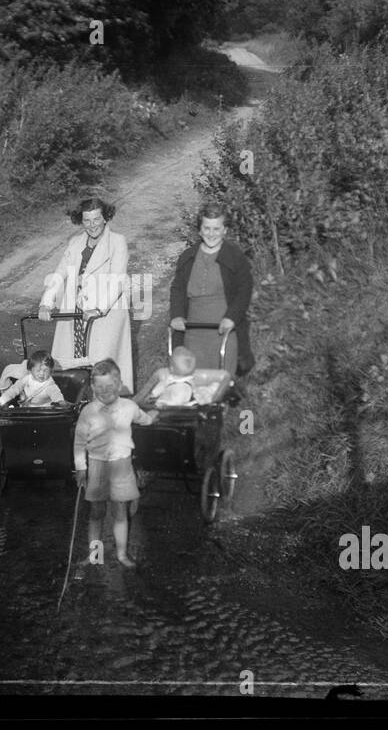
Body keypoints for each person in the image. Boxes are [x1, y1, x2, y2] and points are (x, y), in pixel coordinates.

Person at [39, 197, 134, 394]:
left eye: (96, 219)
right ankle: (76, 403)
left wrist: (99, 308)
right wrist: (46, 303)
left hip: (105, 313)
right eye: (87, 220)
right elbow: (60, 273)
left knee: (101, 365)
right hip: (76, 310)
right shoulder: (75, 243)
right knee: (71, 364)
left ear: (105, 218)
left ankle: (108, 404)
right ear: (80, 221)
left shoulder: (117, 242)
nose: (92, 225)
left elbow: (117, 280)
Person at [73, 360, 157, 568]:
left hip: (121, 465)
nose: (105, 391)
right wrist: (81, 468)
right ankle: (95, 556)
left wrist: (154, 416)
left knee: (119, 512)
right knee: (96, 512)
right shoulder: (88, 412)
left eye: (110, 386)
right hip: (97, 465)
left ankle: (121, 554)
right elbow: (79, 441)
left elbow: (144, 419)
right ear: (93, 387)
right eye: (99, 387)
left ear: (119, 386)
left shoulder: (129, 406)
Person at [168, 203, 255, 377]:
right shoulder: (188, 257)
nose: (211, 234)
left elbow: (244, 289)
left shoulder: (234, 257)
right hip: (193, 332)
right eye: (206, 228)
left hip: (223, 330)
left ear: (225, 230)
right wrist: (177, 315)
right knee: (191, 379)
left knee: (221, 382)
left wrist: (231, 318)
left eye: (216, 229)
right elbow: (177, 289)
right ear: (199, 230)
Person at [0, 350, 66, 408]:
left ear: (51, 371)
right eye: (38, 370)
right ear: (30, 370)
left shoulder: (49, 385)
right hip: (26, 408)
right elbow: (13, 390)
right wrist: (0, 401)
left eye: (46, 371)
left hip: (43, 410)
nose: (42, 374)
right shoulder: (26, 379)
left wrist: (60, 402)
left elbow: (56, 395)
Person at [134, 346, 199, 408]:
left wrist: (153, 395)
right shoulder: (191, 382)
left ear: (171, 368)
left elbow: (160, 387)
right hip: (184, 406)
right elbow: (196, 392)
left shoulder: (170, 379)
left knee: (157, 404)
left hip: (166, 404)